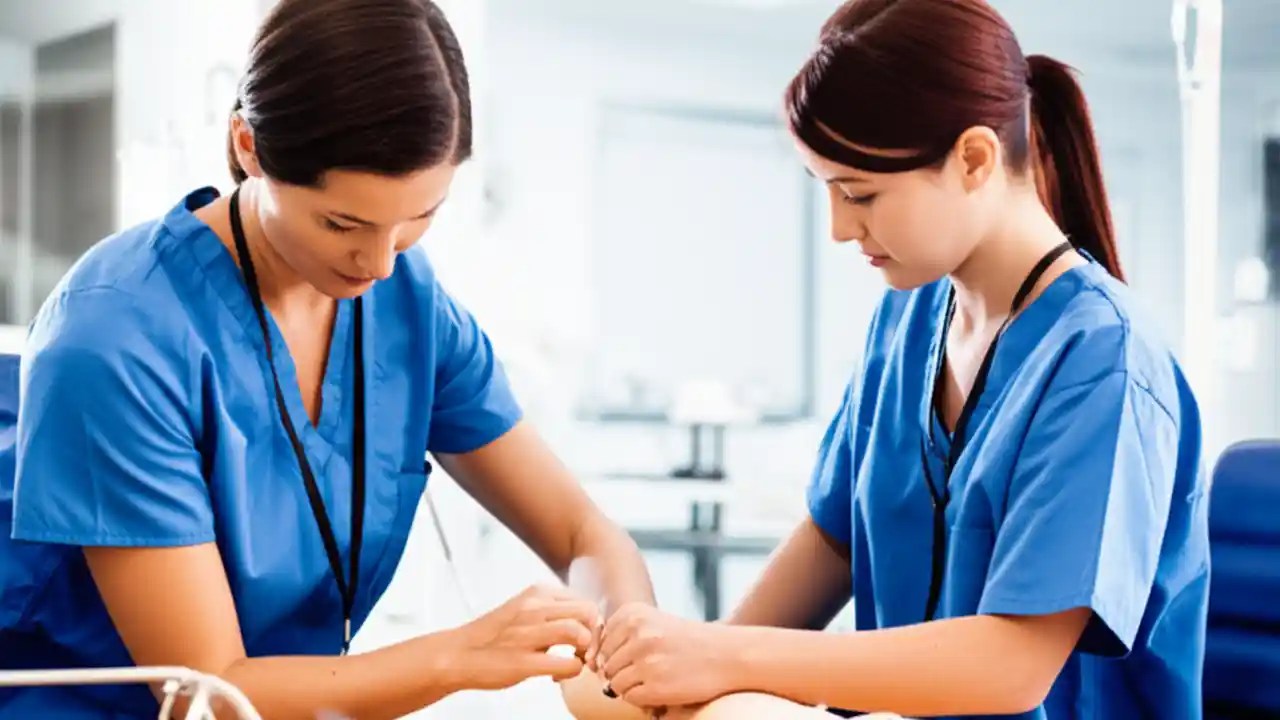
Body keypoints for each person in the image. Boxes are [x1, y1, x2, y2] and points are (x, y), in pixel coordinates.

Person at [0, 1, 656, 718]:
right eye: (343, 223)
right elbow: (208, 694)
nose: (377, 265)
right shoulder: (115, 335)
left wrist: (629, 652)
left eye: (418, 219)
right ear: (248, 147)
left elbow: (581, 534)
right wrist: (460, 656)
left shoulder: (409, 301)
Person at [589, 1, 1210, 719]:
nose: (839, 226)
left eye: (860, 193)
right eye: (828, 190)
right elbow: (836, 538)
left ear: (974, 159)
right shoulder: (909, 316)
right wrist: (684, 667)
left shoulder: (1104, 361)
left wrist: (727, 657)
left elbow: (1010, 667)